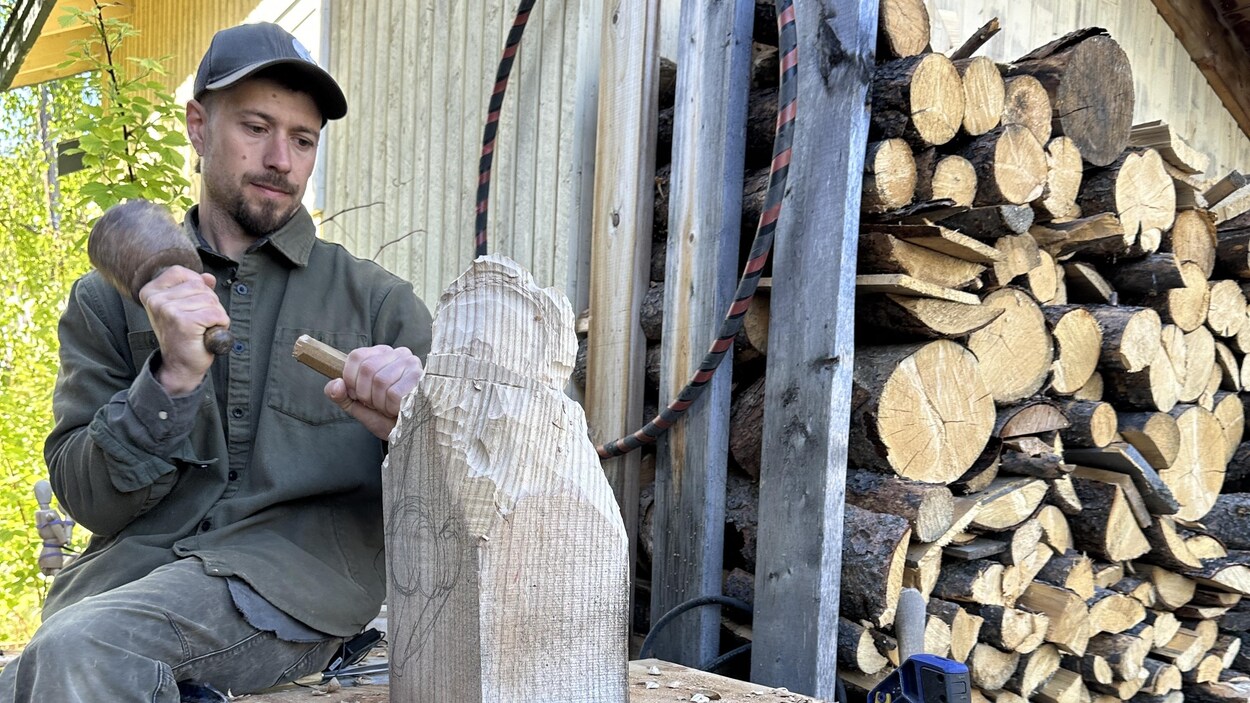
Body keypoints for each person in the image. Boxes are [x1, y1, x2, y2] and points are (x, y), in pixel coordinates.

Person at [0, 22, 432, 702]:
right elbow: (86, 498)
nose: (281, 159)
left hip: (289, 589)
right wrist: (170, 380)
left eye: (303, 139)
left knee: (83, 653)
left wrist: (418, 422)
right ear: (198, 127)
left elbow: (476, 484)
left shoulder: (377, 303)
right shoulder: (110, 299)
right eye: (256, 128)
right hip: (121, 585)